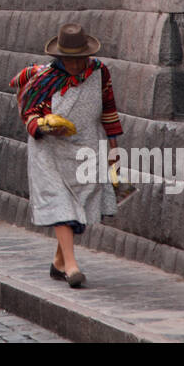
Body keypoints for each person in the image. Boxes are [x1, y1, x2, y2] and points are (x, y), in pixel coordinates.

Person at [10, 22, 122, 289]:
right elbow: (29, 114)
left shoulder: (99, 72)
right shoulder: (43, 79)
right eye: (70, 61)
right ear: (59, 58)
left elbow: (108, 107)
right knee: (61, 204)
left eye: (80, 59)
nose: (76, 65)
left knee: (81, 207)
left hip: (87, 147)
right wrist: (44, 125)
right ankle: (72, 268)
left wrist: (114, 147)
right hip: (49, 152)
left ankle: (59, 261)